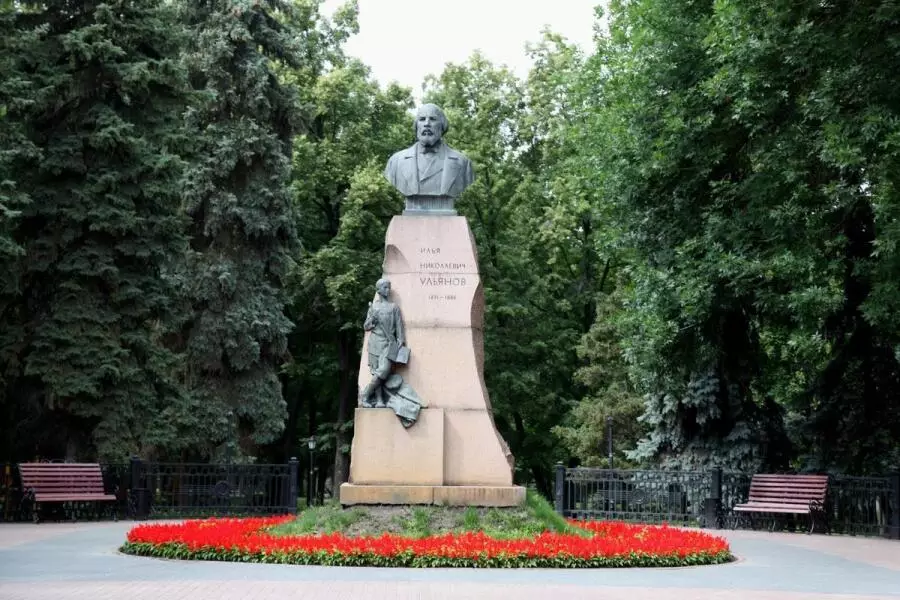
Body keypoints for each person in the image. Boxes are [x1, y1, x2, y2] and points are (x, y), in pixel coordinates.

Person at [384, 104, 475, 212]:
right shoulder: (395, 162)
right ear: (416, 126)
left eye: (433, 119)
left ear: (442, 126)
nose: (427, 124)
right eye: (422, 119)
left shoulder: (463, 163)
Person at [359, 278, 422, 427]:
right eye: (385, 287)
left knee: (383, 371)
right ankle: (380, 401)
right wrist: (371, 320)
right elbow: (366, 327)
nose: (388, 290)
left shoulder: (394, 307)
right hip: (375, 343)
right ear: (379, 290)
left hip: (389, 344)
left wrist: (401, 341)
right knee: (377, 372)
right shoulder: (373, 307)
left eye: (389, 287)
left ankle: (365, 394)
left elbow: (399, 326)